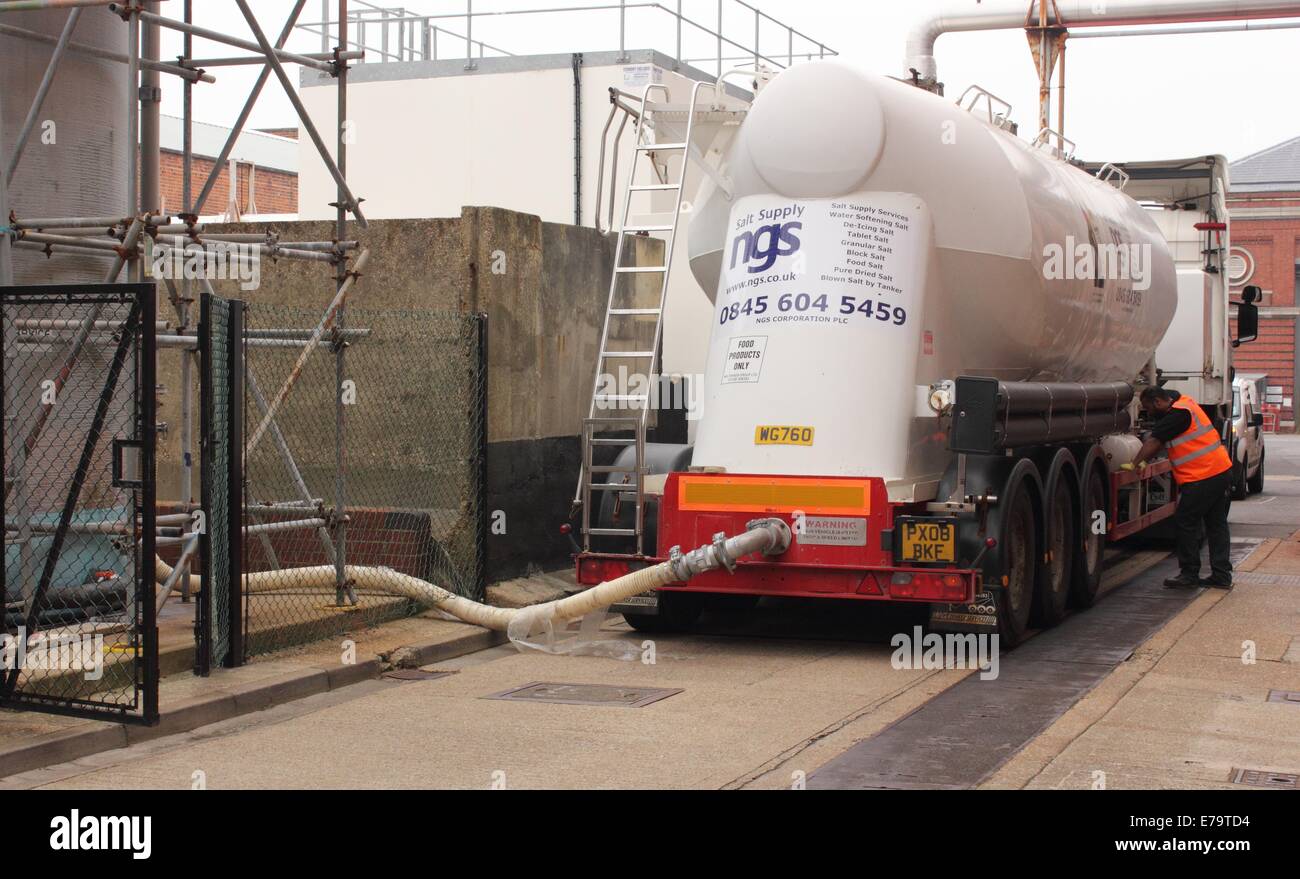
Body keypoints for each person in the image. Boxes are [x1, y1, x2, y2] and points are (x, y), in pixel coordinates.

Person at [1126, 386, 1234, 589]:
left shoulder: (1178, 415)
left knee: (1186, 520)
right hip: (1219, 471)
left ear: (1158, 401)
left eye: (1149, 408)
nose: (1148, 413)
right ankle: (1221, 575)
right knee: (1216, 524)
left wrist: (1134, 463)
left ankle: (1189, 574)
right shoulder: (1185, 403)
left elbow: (1155, 441)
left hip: (1203, 475)